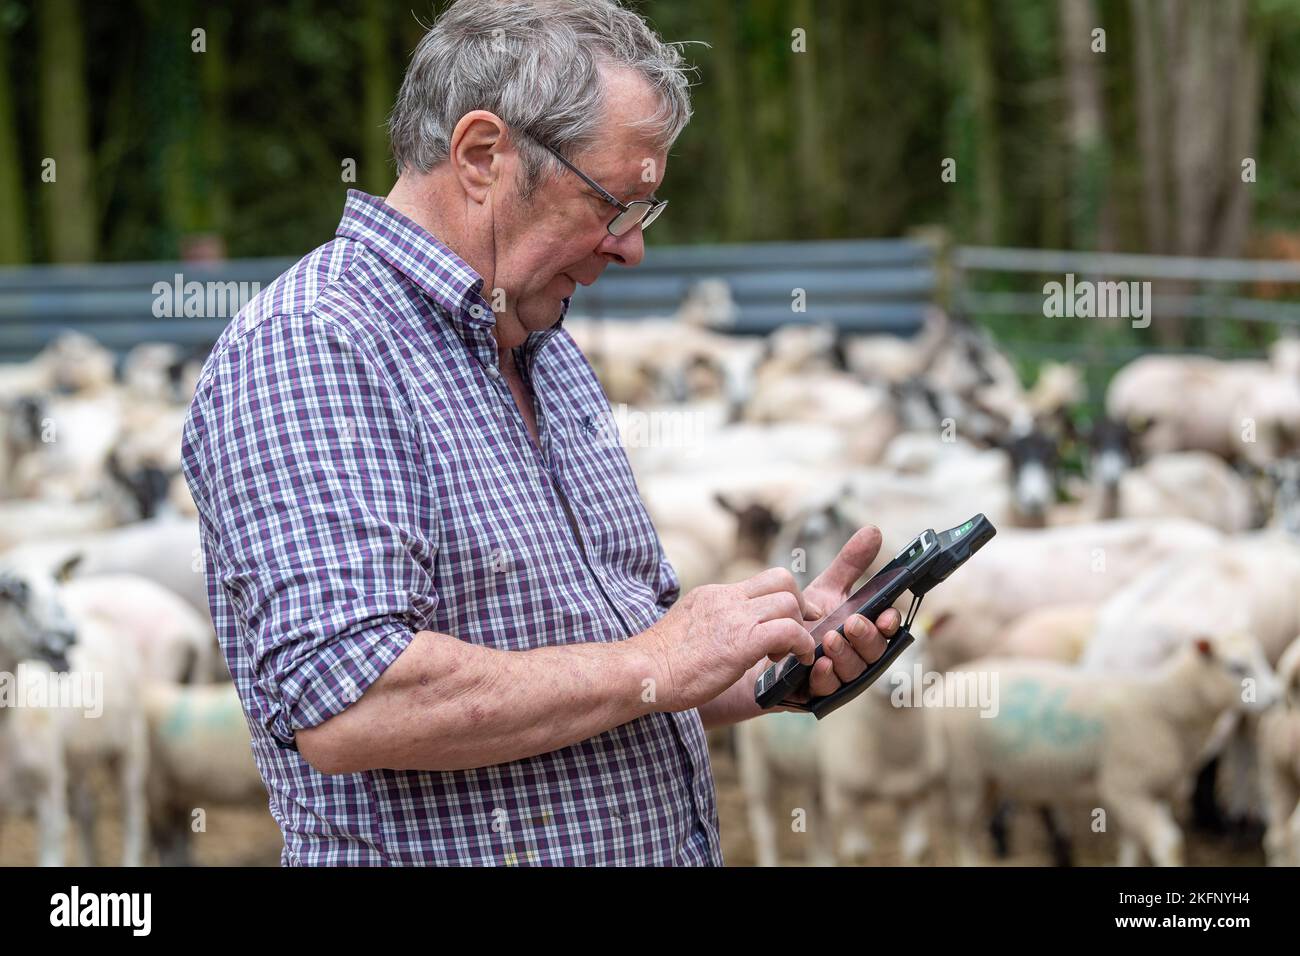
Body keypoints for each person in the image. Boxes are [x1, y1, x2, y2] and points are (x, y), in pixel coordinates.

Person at [181, 0, 897, 866]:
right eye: (614, 204)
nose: (630, 249)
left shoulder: (540, 343)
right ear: (484, 156)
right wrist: (661, 658)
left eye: (645, 212)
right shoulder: (315, 345)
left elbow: (614, 661)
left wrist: (758, 665)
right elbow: (351, 702)